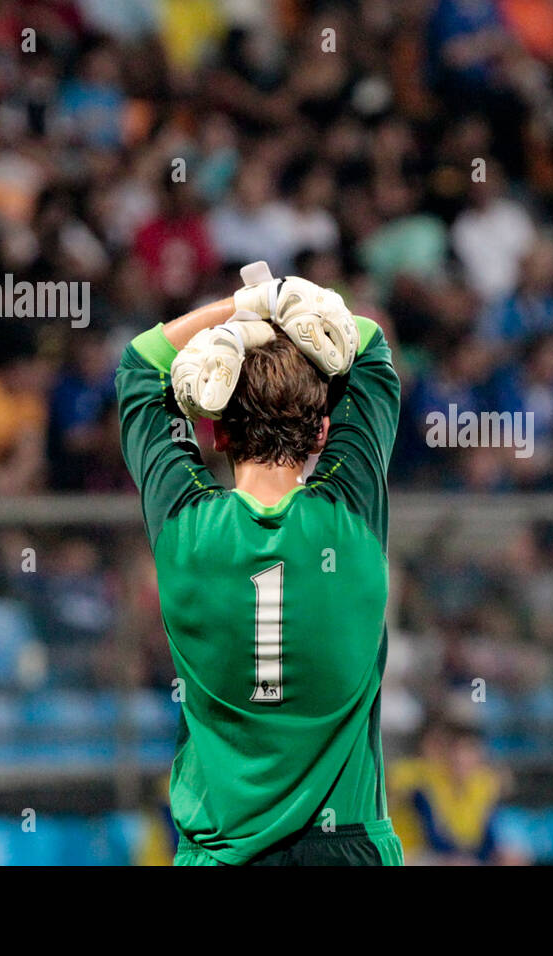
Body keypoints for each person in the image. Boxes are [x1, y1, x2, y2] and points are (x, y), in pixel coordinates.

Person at [115, 264, 402, 865]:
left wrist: (234, 313)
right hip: (345, 847)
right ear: (322, 431)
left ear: (217, 433)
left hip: (220, 854)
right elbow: (369, 348)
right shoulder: (350, 516)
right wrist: (278, 301)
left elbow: (141, 367)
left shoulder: (185, 531)